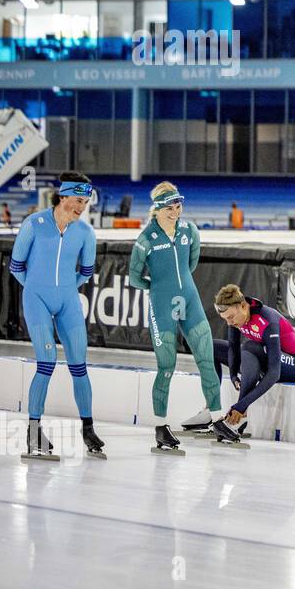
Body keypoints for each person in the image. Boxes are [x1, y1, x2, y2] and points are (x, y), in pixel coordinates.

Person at [9, 171, 102, 460]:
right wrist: (36, 289)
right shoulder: (34, 224)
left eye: (85, 203)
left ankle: (87, 428)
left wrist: (64, 292)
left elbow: (85, 272)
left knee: (79, 365)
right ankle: (33, 430)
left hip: (68, 301)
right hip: (36, 298)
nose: (81, 208)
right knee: (46, 362)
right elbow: (16, 267)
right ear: (62, 196)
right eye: (77, 201)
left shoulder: (86, 233)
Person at [128, 182, 223, 453]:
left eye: (178, 206)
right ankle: (160, 426)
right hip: (162, 306)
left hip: (190, 300)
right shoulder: (145, 239)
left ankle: (217, 418)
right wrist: (157, 288)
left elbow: (190, 264)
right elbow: (135, 278)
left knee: (207, 360)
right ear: (157, 209)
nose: (175, 211)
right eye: (169, 207)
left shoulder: (189, 231)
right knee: (166, 366)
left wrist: (175, 286)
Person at [208, 284, 295, 443]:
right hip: (262, 357)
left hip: (293, 365)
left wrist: (241, 404)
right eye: (225, 319)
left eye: (231, 317)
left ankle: (241, 416)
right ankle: (210, 410)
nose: (229, 323)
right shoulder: (235, 319)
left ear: (242, 306)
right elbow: (233, 348)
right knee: (210, 347)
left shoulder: (268, 319)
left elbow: (274, 373)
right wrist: (234, 375)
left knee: (250, 347)